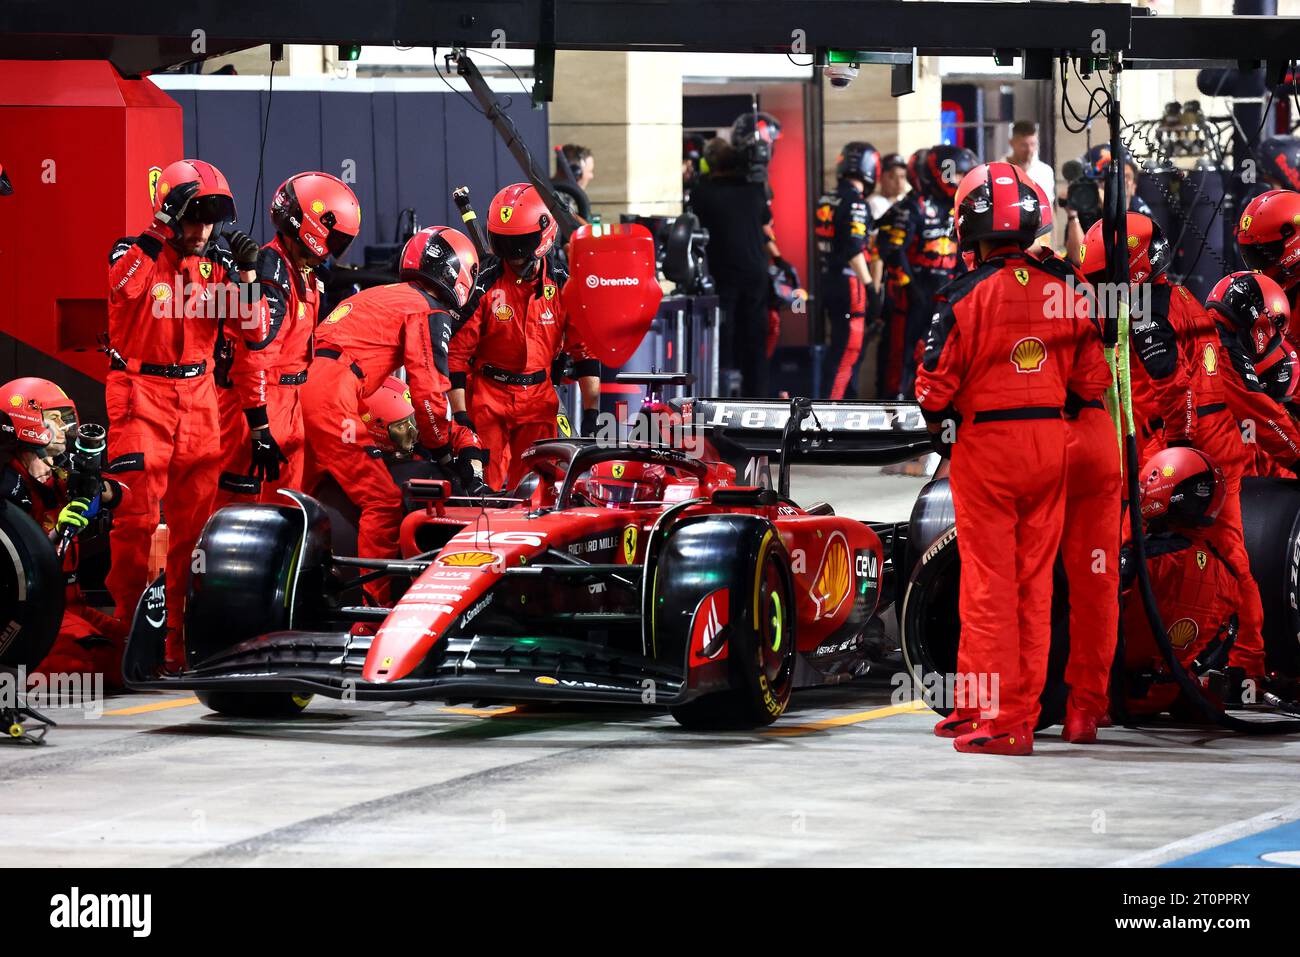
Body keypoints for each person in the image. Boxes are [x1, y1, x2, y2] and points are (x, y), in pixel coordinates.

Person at [916, 161, 1110, 755]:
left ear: (967, 227)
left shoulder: (961, 297)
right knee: (1034, 584)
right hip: (1052, 445)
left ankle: (994, 718)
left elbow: (933, 390)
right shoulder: (1066, 290)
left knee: (988, 584)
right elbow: (1091, 381)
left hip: (988, 451)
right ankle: (1012, 714)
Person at [104, 158, 253, 670]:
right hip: (139, 395)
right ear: (170, 213)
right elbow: (123, 288)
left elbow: (255, 331)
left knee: (195, 533)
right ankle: (128, 637)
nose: (205, 231)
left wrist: (249, 274)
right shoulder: (132, 252)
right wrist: (157, 232)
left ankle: (177, 646)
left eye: (212, 221)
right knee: (136, 522)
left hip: (200, 402)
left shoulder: (215, 270)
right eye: (196, 218)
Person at [301, 226, 486, 604]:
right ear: (457, 273)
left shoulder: (384, 294)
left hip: (300, 390)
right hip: (333, 396)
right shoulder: (426, 308)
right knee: (382, 500)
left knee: (304, 498)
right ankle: (375, 611)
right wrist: (445, 447)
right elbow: (429, 390)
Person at [216, 171, 360, 504]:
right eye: (335, 239)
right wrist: (259, 428)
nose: (334, 250)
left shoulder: (303, 273)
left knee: (287, 512)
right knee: (243, 517)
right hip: (259, 407)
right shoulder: (272, 275)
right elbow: (253, 358)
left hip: (290, 402)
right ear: (313, 228)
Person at [449, 183, 600, 490]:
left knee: (541, 489)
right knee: (483, 491)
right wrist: (461, 417)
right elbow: (457, 357)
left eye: (520, 243)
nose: (513, 254)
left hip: (539, 402)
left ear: (543, 236)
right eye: (504, 242)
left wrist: (591, 413)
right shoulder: (483, 288)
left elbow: (585, 353)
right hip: (487, 400)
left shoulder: (562, 288)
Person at [0, 378, 127, 684]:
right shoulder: (7, 488)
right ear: (27, 422)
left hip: (72, 602)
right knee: (94, 666)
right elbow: (13, 565)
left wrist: (100, 488)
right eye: (54, 418)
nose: (65, 426)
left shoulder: (63, 470)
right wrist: (57, 531)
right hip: (29, 609)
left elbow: (126, 495)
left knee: (137, 650)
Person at [1120, 446, 1241, 717]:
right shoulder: (1227, 576)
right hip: (1173, 693)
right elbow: (1222, 639)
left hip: (1112, 696)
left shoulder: (1137, 560)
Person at [879, 143, 974, 399]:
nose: (960, 180)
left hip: (944, 295)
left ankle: (928, 402)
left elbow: (961, 254)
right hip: (910, 296)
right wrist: (910, 287)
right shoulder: (912, 206)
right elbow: (890, 250)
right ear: (939, 172)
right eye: (957, 174)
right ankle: (892, 407)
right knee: (901, 354)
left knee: (935, 354)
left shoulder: (958, 209)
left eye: (964, 175)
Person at [686, 138, 778, 397]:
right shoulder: (755, 190)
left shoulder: (702, 194)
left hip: (722, 273)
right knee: (755, 340)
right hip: (755, 273)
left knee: (723, 338)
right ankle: (758, 398)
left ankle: (722, 396)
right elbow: (765, 224)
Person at [815, 142, 882, 400]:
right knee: (848, 351)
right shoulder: (856, 203)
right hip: (848, 283)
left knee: (836, 349)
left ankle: (831, 405)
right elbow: (854, 248)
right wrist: (869, 286)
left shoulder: (826, 198)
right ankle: (830, 415)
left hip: (826, 280)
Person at [1004, 120, 1057, 217]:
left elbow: (1049, 209)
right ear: (1011, 143)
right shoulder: (999, 170)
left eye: (1033, 144)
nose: (1029, 150)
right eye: (1024, 145)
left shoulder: (1045, 171)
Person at [868, 153, 909, 222]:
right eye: (892, 177)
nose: (898, 182)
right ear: (880, 177)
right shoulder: (874, 203)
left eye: (902, 176)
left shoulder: (906, 202)